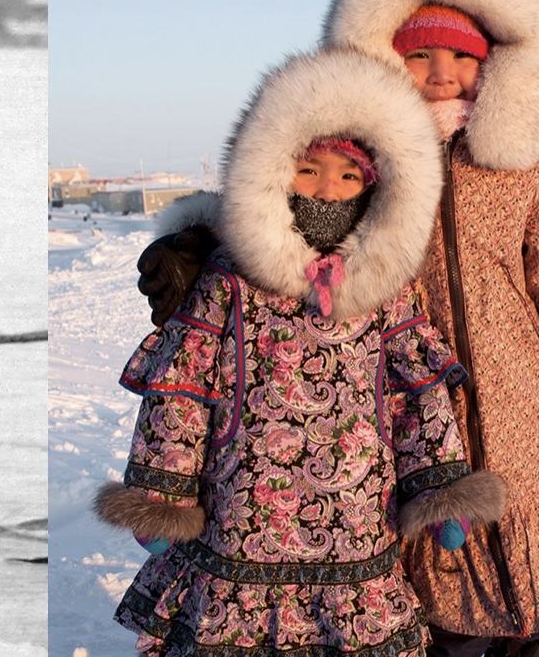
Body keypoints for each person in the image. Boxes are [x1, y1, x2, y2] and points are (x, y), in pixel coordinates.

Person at [134, 0, 539, 656]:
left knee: (525, 611)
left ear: (494, 66)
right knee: (415, 611)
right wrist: (199, 240)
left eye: (460, 57)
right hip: (393, 414)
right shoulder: (362, 155)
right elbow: (284, 203)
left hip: (519, 417)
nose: (438, 72)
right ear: (381, 59)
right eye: (417, 54)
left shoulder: (531, 171)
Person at [96, 48, 506, 657]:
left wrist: (440, 484)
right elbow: (181, 396)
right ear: (274, 170)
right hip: (245, 512)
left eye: (347, 174)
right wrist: (163, 495)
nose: (327, 187)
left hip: (357, 512)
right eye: (309, 169)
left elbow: (416, 396)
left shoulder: (383, 284)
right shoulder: (229, 280)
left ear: (374, 189)